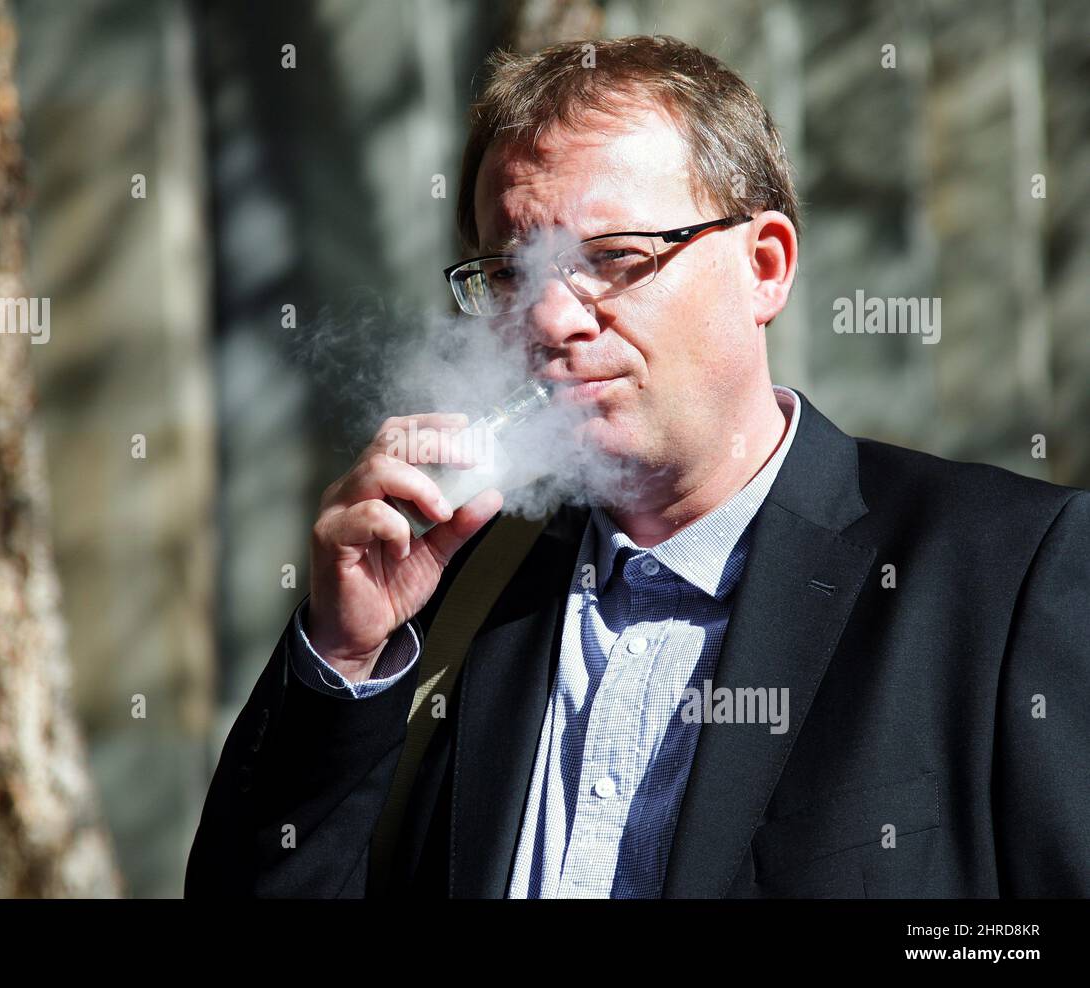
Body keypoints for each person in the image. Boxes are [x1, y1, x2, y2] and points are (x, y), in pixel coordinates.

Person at [186, 35, 1090, 898]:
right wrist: (346, 658)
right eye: (511, 275)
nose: (550, 320)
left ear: (765, 266)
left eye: (614, 259)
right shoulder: (449, 590)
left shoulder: (1003, 571)